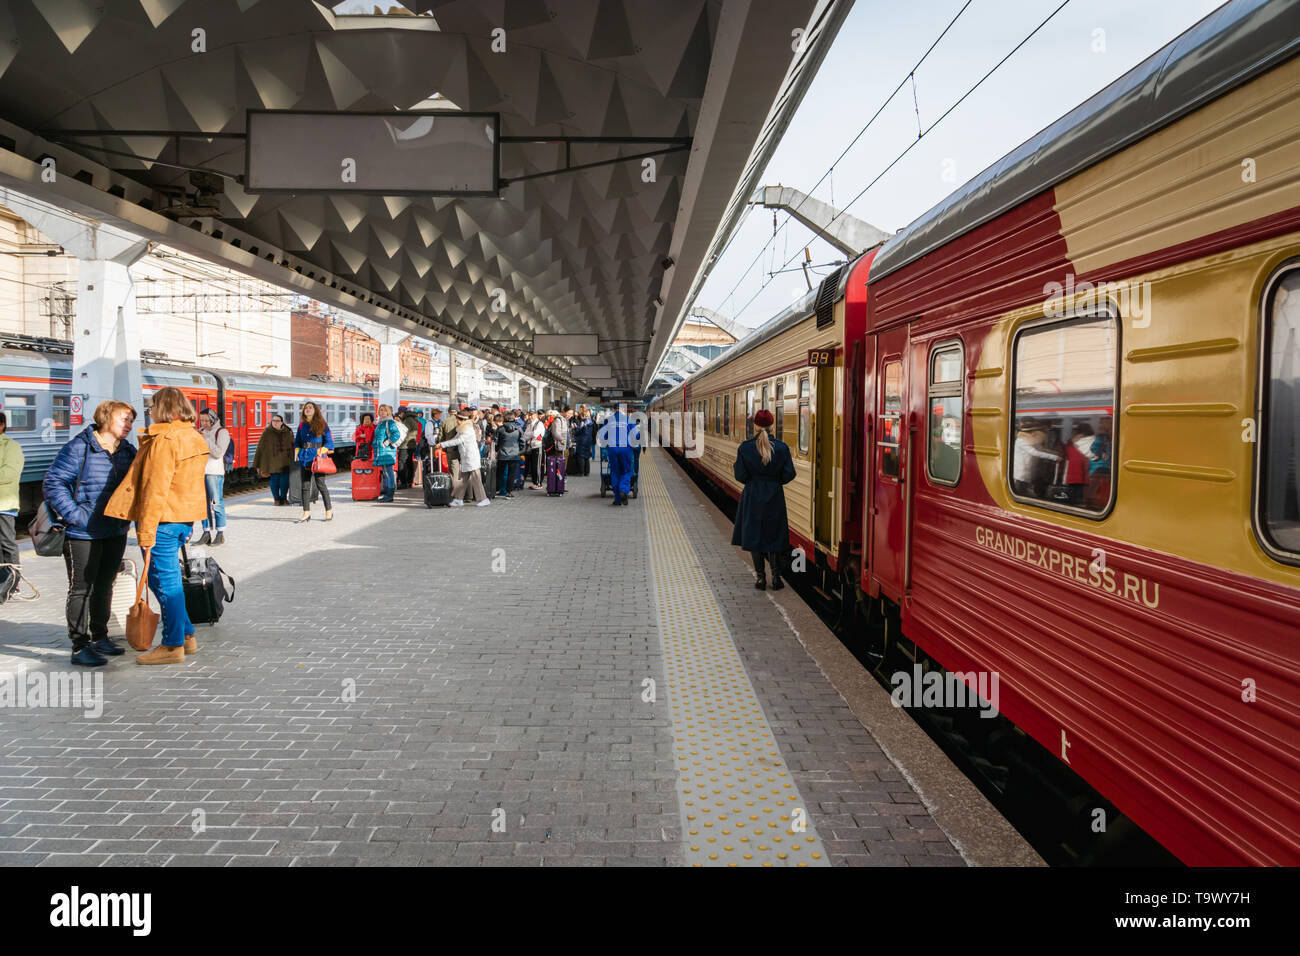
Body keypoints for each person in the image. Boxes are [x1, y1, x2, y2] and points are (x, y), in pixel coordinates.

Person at [104, 388, 207, 665]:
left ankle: (172, 645)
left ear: (164, 409)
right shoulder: (194, 436)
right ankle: (186, 635)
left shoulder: (165, 440)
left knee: (166, 582)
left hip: (163, 520)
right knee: (162, 579)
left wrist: (146, 532)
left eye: (152, 406)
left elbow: (154, 490)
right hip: (183, 518)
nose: (150, 410)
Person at [41, 401, 138, 666]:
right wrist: (76, 515)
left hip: (115, 529)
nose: (129, 425)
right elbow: (53, 482)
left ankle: (100, 636)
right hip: (82, 533)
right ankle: (79, 646)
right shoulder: (79, 447)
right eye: (125, 420)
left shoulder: (127, 451)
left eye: (131, 420)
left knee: (105, 585)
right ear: (106, 418)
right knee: (81, 589)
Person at [732, 409, 796, 590]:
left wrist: (754, 482)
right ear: (772, 425)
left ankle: (760, 578)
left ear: (755, 425)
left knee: (755, 535)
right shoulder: (782, 448)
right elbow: (790, 473)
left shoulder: (745, 448)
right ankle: (776, 578)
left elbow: (740, 475)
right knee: (774, 535)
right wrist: (775, 482)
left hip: (752, 495)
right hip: (774, 495)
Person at [435, 413, 490, 507]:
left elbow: (458, 441)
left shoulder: (467, 430)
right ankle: (458, 499)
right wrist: (443, 443)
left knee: (476, 479)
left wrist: (442, 444)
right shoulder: (462, 429)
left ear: (462, 420)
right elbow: (455, 439)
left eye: (458, 420)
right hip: (466, 458)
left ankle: (483, 499)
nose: (456, 421)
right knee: (463, 480)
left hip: (471, 458)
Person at [293, 401, 335, 522]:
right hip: (305, 457)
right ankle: (306, 513)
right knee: (305, 486)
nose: (308, 409)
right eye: (306, 408)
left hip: (318, 458)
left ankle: (329, 511)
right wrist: (298, 451)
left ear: (315, 410)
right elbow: (297, 441)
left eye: (310, 407)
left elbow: (329, 442)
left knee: (321, 485)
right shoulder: (301, 425)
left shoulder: (322, 424)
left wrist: (321, 450)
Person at [196, 408, 230, 545]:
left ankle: (220, 534)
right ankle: (206, 532)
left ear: (213, 419)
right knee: (202, 505)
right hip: (200, 472)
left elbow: (218, 453)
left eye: (206, 420)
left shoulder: (222, 432)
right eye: (201, 420)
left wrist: (205, 440)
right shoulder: (202, 431)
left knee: (216, 503)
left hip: (214, 473)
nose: (203, 423)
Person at [601, 405, 639, 506]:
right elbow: (636, 435)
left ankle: (617, 499)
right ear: (623, 410)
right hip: (625, 449)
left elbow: (603, 436)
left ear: (614, 410)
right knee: (626, 471)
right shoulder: (628, 420)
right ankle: (624, 490)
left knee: (615, 472)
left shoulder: (608, 420)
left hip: (612, 450)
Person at [254, 412, 295, 505]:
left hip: (285, 461)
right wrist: (258, 463)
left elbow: (292, 445)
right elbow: (260, 447)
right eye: (273, 421)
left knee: (285, 482)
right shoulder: (267, 432)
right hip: (272, 461)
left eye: (277, 421)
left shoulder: (288, 432)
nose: (275, 423)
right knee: (274, 481)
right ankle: (276, 499)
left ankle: (284, 498)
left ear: (282, 422)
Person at [0, 411, 23, 571]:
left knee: (6, 542)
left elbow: (9, 473)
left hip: (4, 504)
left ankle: (14, 582)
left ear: (2, 426)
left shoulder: (11, 446)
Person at [372, 404, 402, 503]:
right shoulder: (381, 423)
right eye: (380, 410)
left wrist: (387, 442)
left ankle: (389, 494)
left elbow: (396, 434)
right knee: (385, 473)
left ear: (388, 412)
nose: (382, 412)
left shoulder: (389, 422)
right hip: (381, 451)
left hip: (387, 451)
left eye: (384, 410)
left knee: (389, 473)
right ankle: (387, 494)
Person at [1064, 422, 1095, 507]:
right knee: (1081, 494)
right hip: (1084, 470)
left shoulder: (1070, 442)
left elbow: (1067, 455)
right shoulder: (1091, 441)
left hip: (1073, 471)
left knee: (1072, 495)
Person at [493, 413, 522, 499]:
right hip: (514, 454)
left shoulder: (500, 429)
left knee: (500, 473)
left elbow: (496, 441)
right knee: (511, 474)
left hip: (502, 454)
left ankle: (497, 490)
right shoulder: (518, 428)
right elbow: (522, 441)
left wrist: (497, 449)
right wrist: (518, 449)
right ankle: (509, 492)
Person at [571, 405, 595, 477]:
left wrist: (575, 428)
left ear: (583, 415)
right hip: (588, 441)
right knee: (587, 457)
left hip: (582, 441)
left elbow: (578, 431)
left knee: (581, 456)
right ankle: (587, 472)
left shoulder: (583, 422)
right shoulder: (590, 422)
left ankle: (581, 472)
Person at [525, 411, 546, 489]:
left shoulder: (539, 424)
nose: (530, 417)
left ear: (536, 415)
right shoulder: (530, 424)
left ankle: (539, 483)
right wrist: (531, 434)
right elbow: (525, 436)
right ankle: (535, 482)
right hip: (532, 446)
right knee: (533, 465)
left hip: (538, 446)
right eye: (529, 415)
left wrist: (530, 434)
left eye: (532, 415)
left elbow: (535, 434)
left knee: (538, 466)